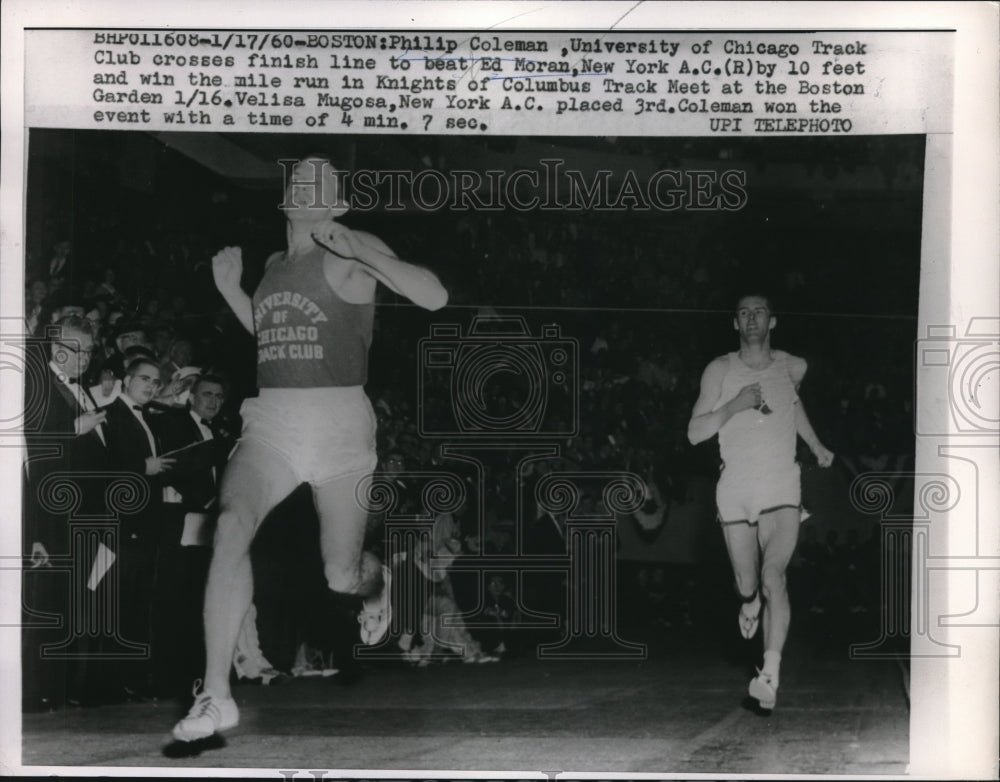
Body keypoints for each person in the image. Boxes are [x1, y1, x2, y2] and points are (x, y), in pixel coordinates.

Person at [172, 156, 448, 741]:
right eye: (300, 175)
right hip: (274, 416)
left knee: (339, 575)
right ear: (287, 195)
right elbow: (274, 335)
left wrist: (362, 249)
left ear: (336, 204)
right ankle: (216, 695)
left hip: (341, 420)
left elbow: (435, 296)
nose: (306, 180)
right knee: (230, 527)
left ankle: (378, 588)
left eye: (322, 179)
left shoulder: (349, 247)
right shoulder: (273, 265)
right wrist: (230, 292)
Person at [687, 293, 833, 711]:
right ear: (735, 324)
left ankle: (770, 674)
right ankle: (748, 603)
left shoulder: (793, 366)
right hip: (735, 487)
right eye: (744, 313)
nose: (752, 318)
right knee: (749, 584)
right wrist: (735, 405)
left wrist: (816, 445)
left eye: (760, 312)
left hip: (781, 485)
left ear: (773, 321)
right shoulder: (720, 370)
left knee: (775, 578)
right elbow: (694, 433)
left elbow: (792, 403)